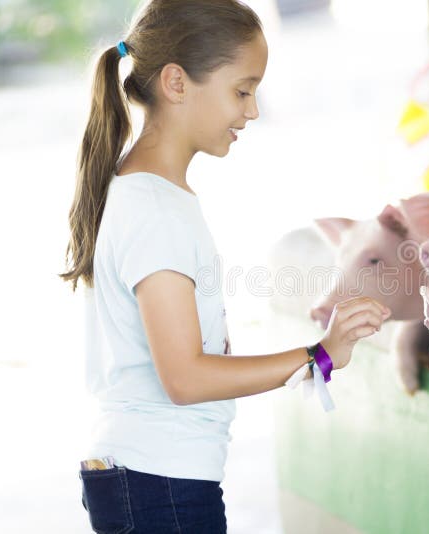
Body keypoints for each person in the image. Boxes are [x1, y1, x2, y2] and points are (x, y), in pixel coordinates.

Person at [59, 1, 390, 532]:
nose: (252, 110)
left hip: (153, 479)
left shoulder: (150, 195)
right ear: (176, 82)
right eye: (242, 89)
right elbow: (185, 377)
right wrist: (318, 355)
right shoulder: (154, 209)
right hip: (157, 484)